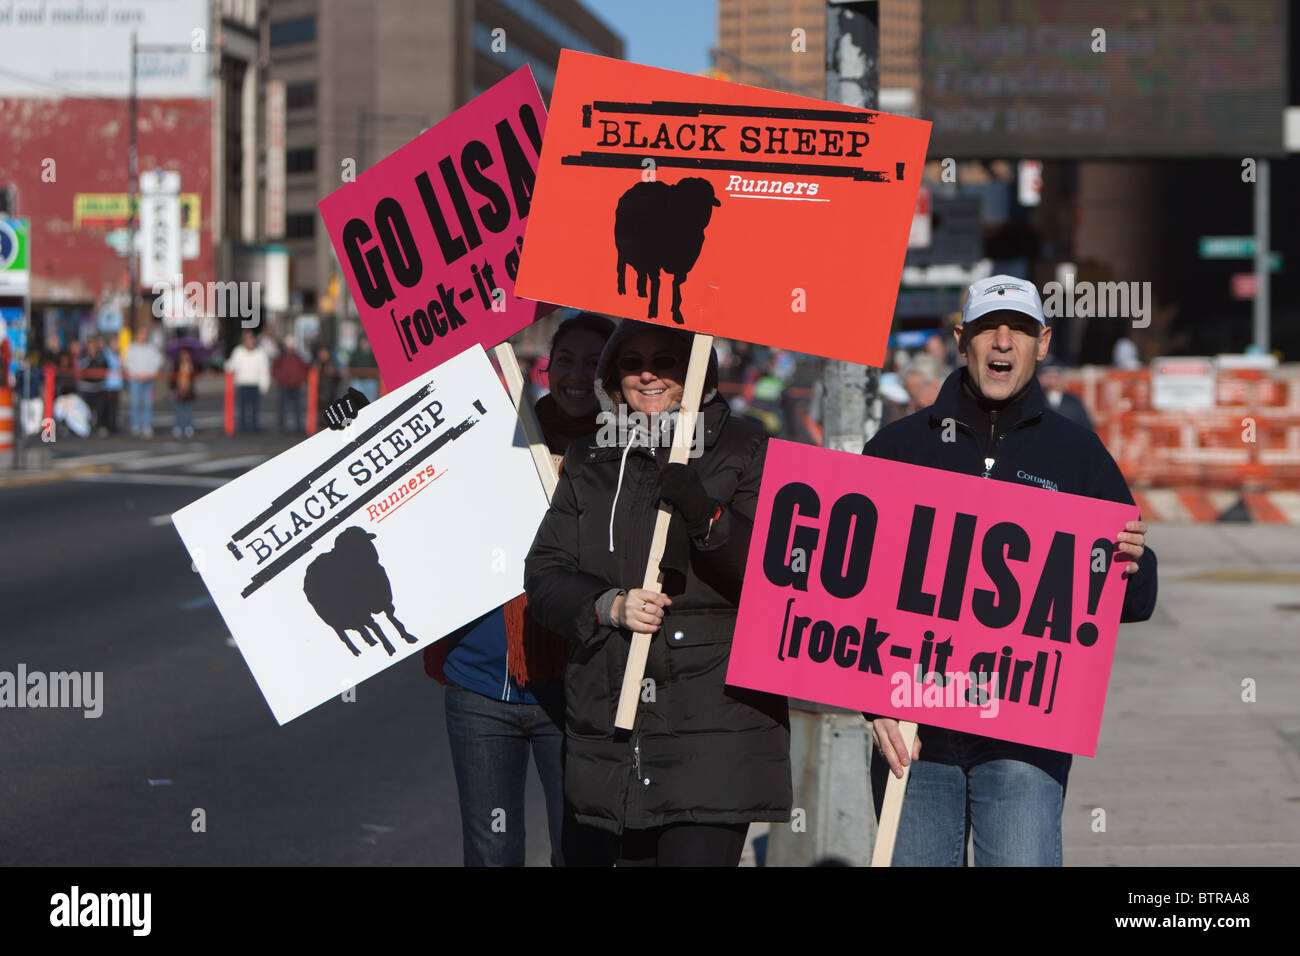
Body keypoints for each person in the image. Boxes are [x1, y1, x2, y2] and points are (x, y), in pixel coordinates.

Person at [862, 274, 1157, 866]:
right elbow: (849, 591)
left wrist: (1131, 561)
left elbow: (1137, 598)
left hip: (1025, 738)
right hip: (917, 735)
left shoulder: (1076, 454)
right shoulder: (898, 448)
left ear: (1042, 343)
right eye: (987, 329)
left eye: (1019, 330)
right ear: (960, 339)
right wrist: (873, 701)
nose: (1002, 342)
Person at [324, 313, 617, 867]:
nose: (578, 375)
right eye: (567, 360)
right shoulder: (491, 429)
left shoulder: (627, 459)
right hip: (478, 685)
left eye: (594, 363)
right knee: (489, 854)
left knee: (580, 853)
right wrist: (358, 428)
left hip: (576, 695)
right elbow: (402, 480)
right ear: (545, 367)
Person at [524, 318, 792, 867]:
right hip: (610, 731)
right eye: (630, 362)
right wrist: (608, 606)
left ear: (696, 369)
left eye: (666, 361)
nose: (647, 375)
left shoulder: (746, 448)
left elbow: (776, 575)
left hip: (714, 731)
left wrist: (707, 515)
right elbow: (545, 574)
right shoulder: (591, 457)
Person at [225, 330, 270, 432]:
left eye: (251, 339)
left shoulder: (260, 353)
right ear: (244, 341)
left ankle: (254, 425)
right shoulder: (238, 352)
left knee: (255, 407)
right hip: (243, 384)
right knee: (243, 407)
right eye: (247, 339)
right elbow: (231, 366)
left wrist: (264, 385)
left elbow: (264, 370)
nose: (250, 342)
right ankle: (243, 426)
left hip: (255, 384)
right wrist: (227, 365)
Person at [124, 325, 165, 437]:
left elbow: (158, 362)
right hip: (135, 380)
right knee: (135, 404)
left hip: (148, 380)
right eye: (141, 333)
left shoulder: (151, 348)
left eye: (145, 334)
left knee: (148, 404)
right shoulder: (132, 348)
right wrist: (136, 375)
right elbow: (128, 363)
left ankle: (147, 425)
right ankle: (136, 425)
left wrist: (149, 374)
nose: (143, 336)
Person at [1038, 359, 1093, 431]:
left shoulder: (1074, 403)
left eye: (1056, 376)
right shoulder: (1035, 401)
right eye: (1048, 376)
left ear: (1062, 378)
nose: (1052, 380)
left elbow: (1087, 429)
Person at [272, 338, 310, 432]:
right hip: (284, 385)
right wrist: (279, 379)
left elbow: (305, 369)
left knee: (297, 407)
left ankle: (298, 425)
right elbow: (274, 369)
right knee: (282, 407)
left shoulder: (298, 358)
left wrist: (301, 379)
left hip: (296, 385)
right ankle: (281, 425)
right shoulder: (281, 358)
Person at [171, 348, 197, 438]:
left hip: (188, 392)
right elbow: (172, 379)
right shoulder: (176, 365)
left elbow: (194, 379)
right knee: (178, 411)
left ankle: (189, 426)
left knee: (188, 411)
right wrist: (173, 389)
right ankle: (178, 426)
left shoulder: (192, 365)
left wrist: (191, 369)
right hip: (178, 391)